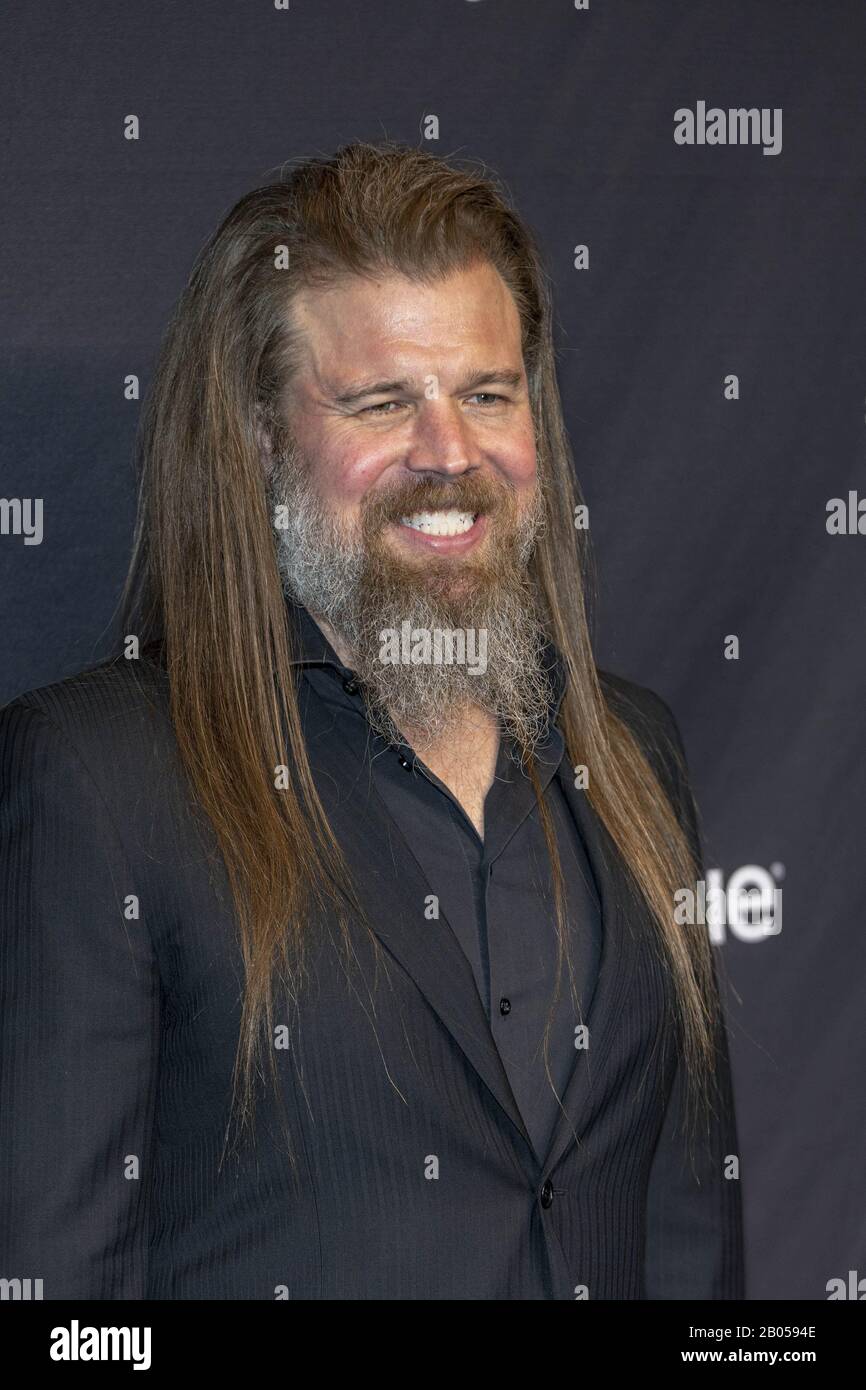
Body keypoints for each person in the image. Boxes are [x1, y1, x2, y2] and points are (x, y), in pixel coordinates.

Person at [0, 140, 743, 1300]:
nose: (449, 454)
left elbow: (690, 1239)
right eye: (382, 402)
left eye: (487, 394)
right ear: (256, 440)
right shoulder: (101, 778)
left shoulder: (633, 756)